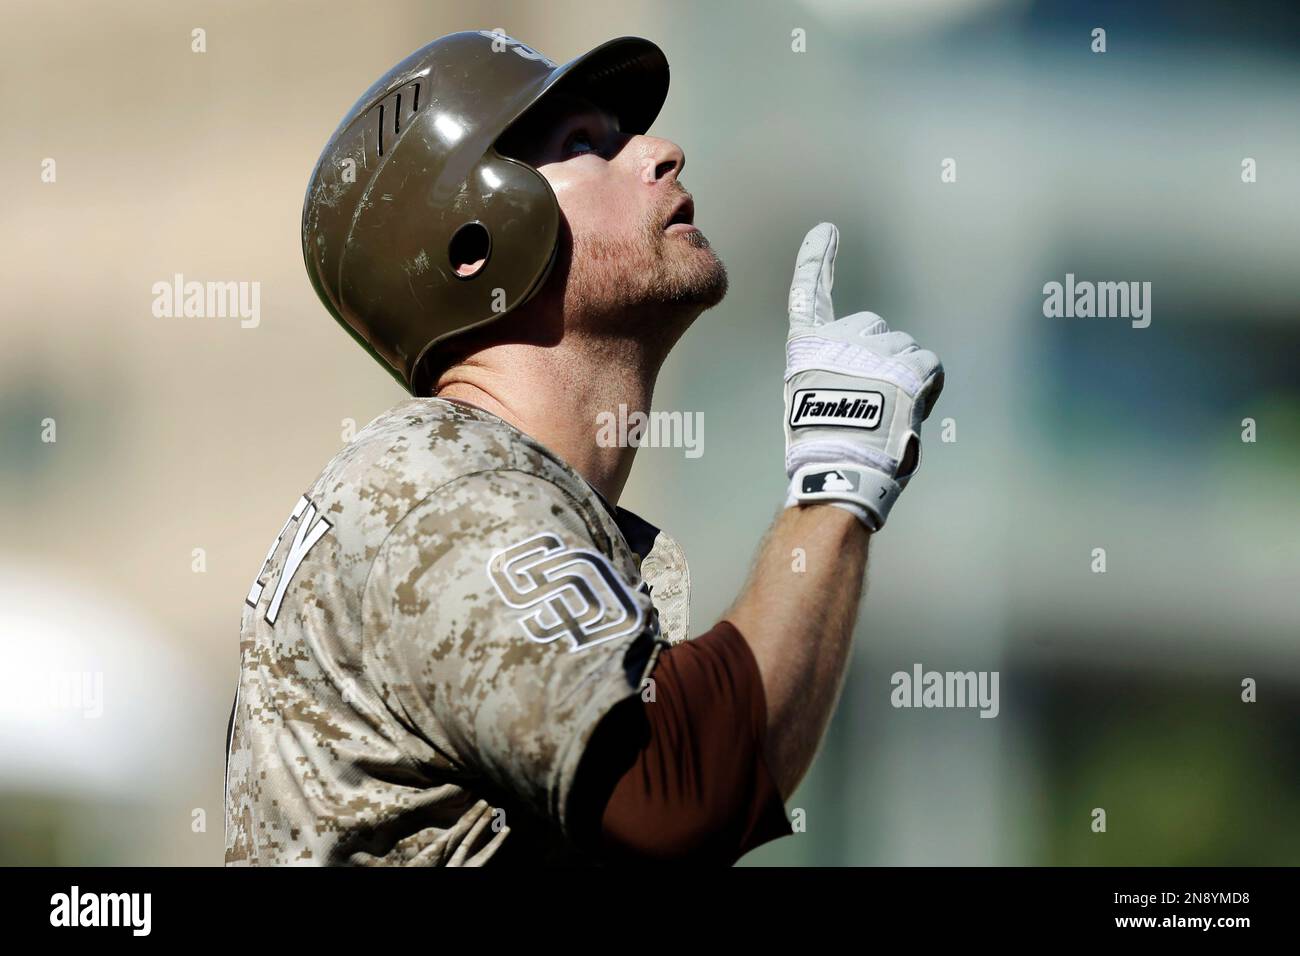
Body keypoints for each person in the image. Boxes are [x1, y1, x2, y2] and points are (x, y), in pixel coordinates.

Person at [225, 30, 943, 866]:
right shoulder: (441, 485)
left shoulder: (473, 482)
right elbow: (676, 797)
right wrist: (836, 486)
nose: (663, 152)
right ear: (473, 241)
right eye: (584, 145)